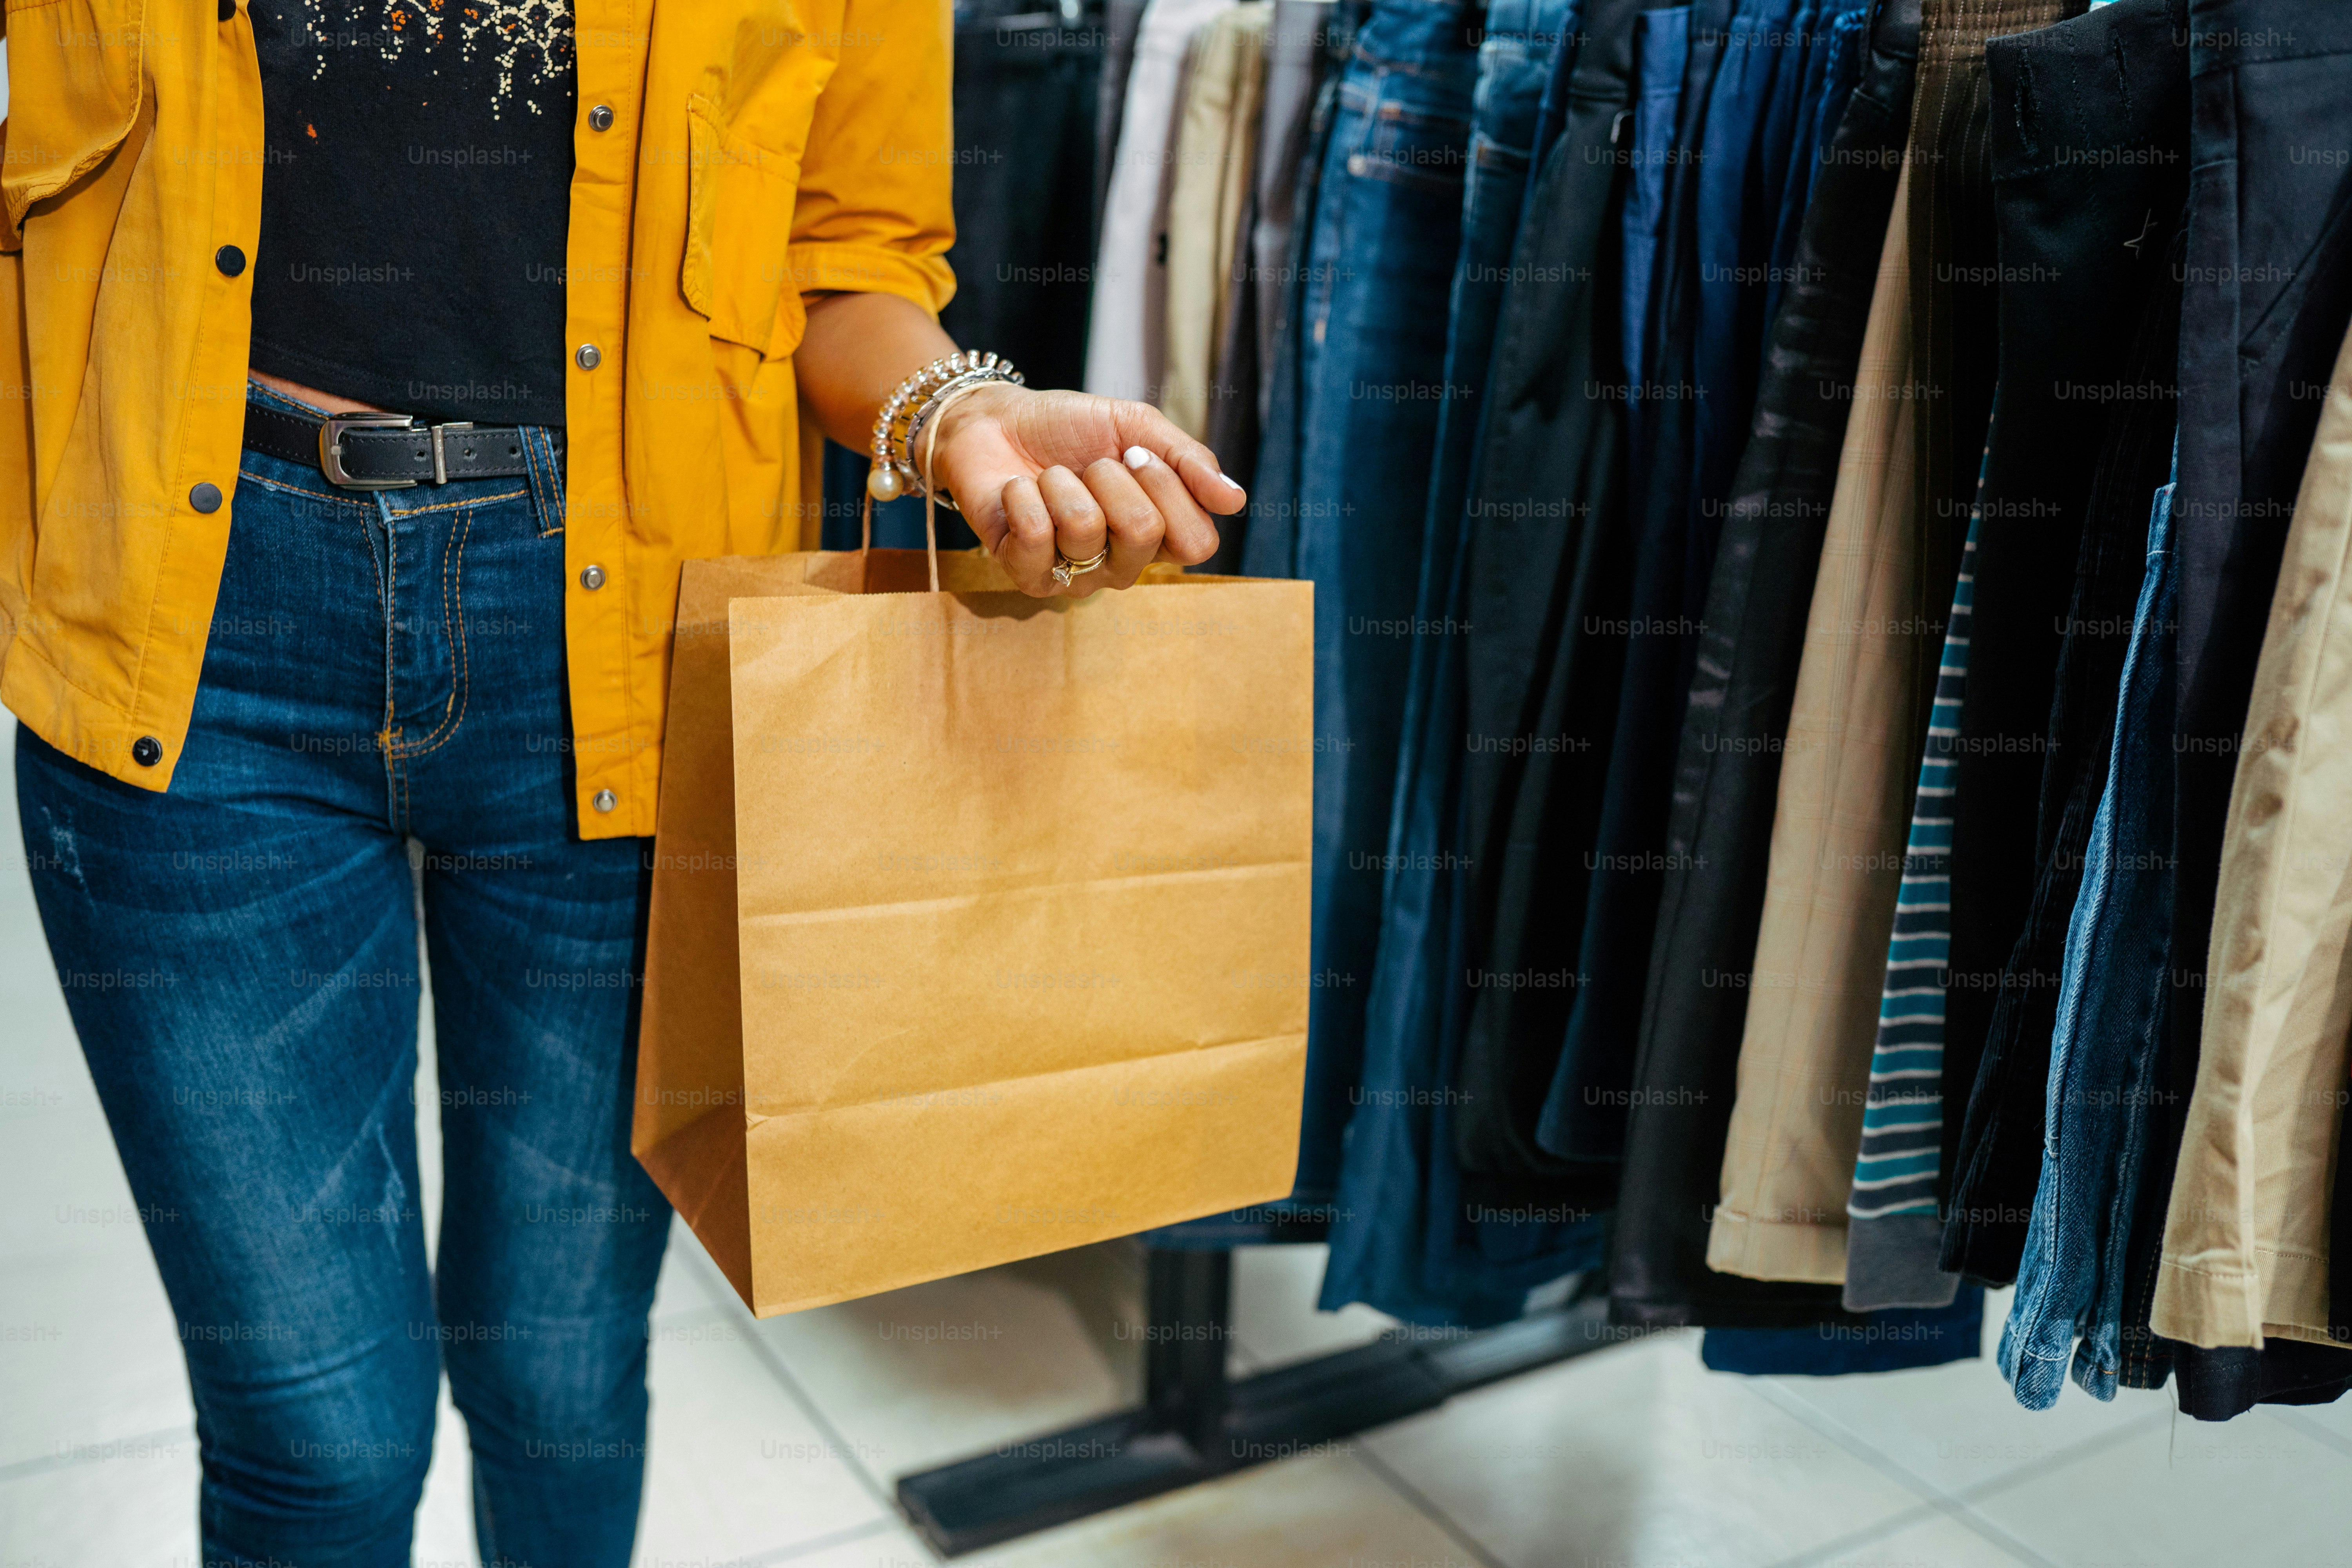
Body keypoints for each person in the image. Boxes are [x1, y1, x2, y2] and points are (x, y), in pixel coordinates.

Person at [0, 0, 1243, 1561]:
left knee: (561, 1371)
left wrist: (961, 412)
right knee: (315, 1440)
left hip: (617, 653)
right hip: (185, 634)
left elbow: (848, 258)